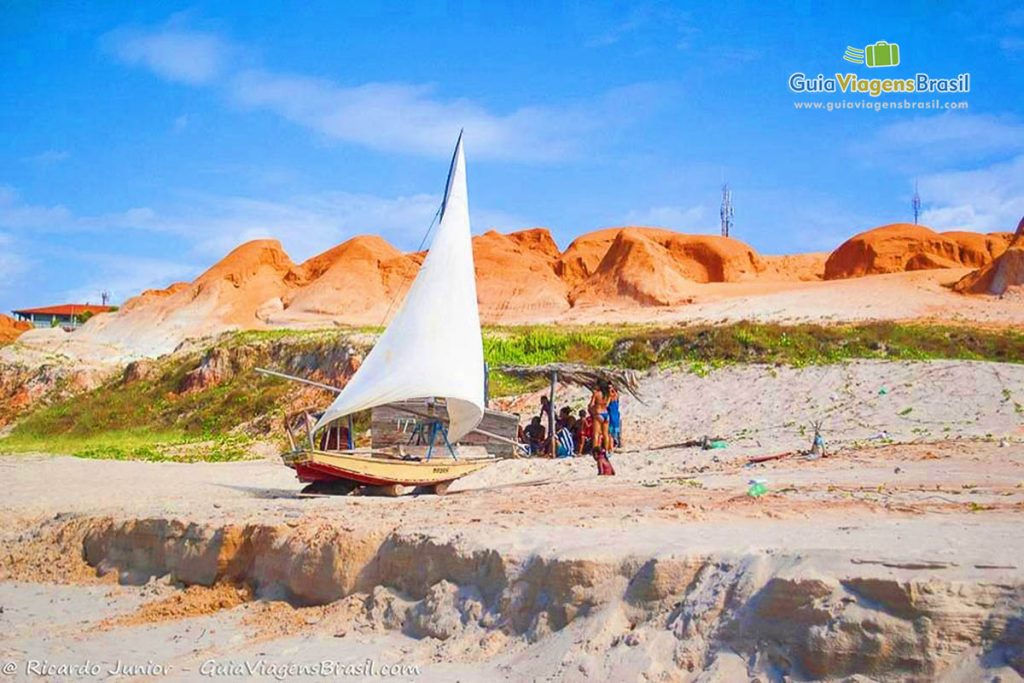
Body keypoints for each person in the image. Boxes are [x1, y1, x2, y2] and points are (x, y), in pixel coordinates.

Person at [589, 381, 615, 476]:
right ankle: (607, 450)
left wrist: (593, 412)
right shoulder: (607, 395)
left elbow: (591, 405)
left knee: (596, 434)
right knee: (605, 434)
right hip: (606, 414)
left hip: (598, 413)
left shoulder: (596, 394)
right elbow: (607, 405)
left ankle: (595, 451)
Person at [607, 384, 621, 449]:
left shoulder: (610, 397)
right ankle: (617, 442)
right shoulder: (617, 395)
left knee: (610, 432)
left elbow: (606, 405)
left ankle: (612, 445)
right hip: (616, 414)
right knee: (616, 430)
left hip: (611, 414)